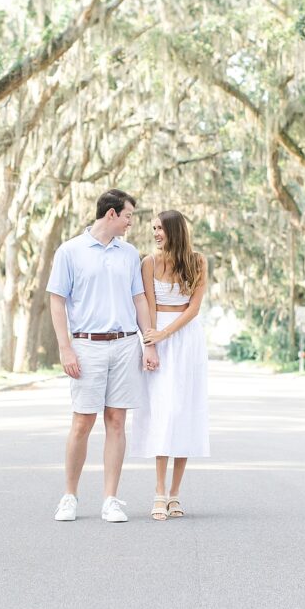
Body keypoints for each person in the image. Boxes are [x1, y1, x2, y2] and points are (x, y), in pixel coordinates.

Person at [47, 189, 159, 523]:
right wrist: (65, 347)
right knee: (82, 421)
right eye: (128, 217)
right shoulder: (70, 251)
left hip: (125, 344)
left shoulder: (129, 254)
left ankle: (110, 499)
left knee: (116, 420)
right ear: (111, 215)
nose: (130, 223)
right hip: (87, 344)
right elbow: (57, 301)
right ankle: (70, 496)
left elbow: (139, 300)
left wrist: (148, 342)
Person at [130, 209, 209, 519]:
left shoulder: (198, 261)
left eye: (160, 228)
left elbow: (194, 308)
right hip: (156, 334)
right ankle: (158, 492)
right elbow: (147, 303)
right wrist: (152, 341)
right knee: (163, 411)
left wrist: (166, 332)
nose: (156, 234)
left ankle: (175, 494)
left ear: (175, 230)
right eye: (153, 229)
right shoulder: (148, 262)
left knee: (184, 411)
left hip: (186, 339)